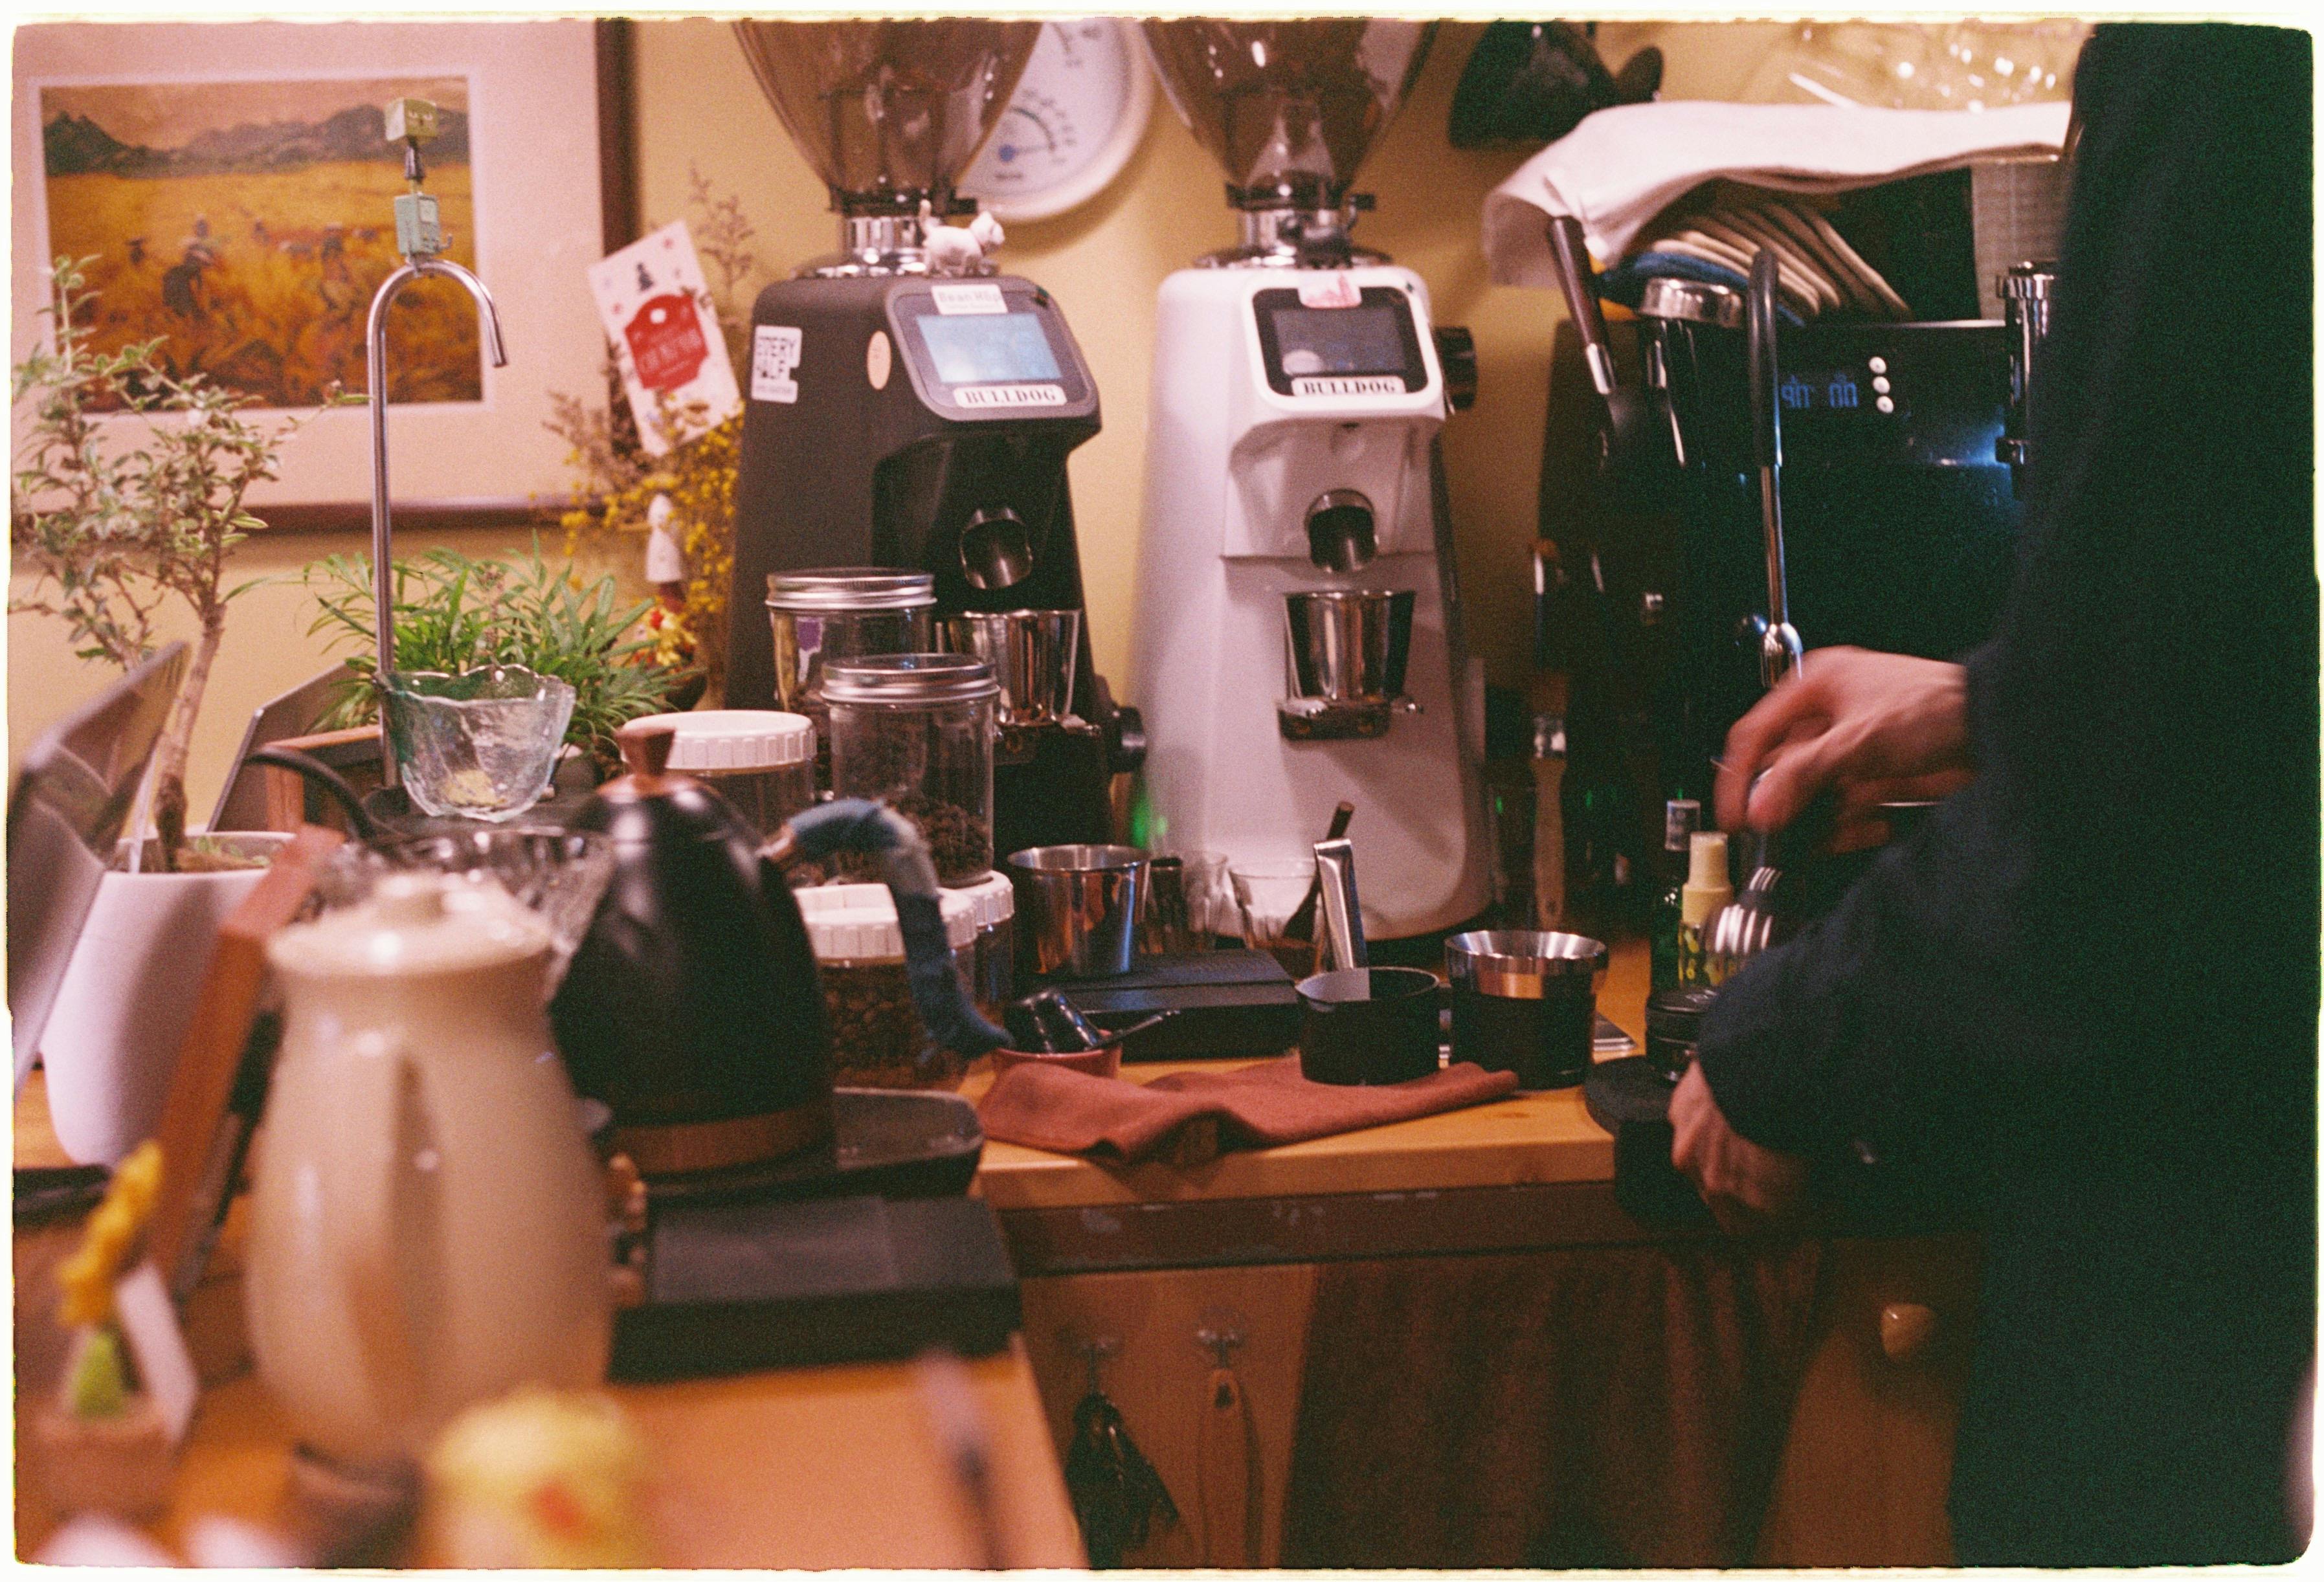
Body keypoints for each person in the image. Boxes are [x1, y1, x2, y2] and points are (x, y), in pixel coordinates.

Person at [1669, 22, 2316, 1568]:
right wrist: (1997, 699)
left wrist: (1785, 1041)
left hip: (2216, 1247)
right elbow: (2243, 656)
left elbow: (2133, 814)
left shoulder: (2230, 70)